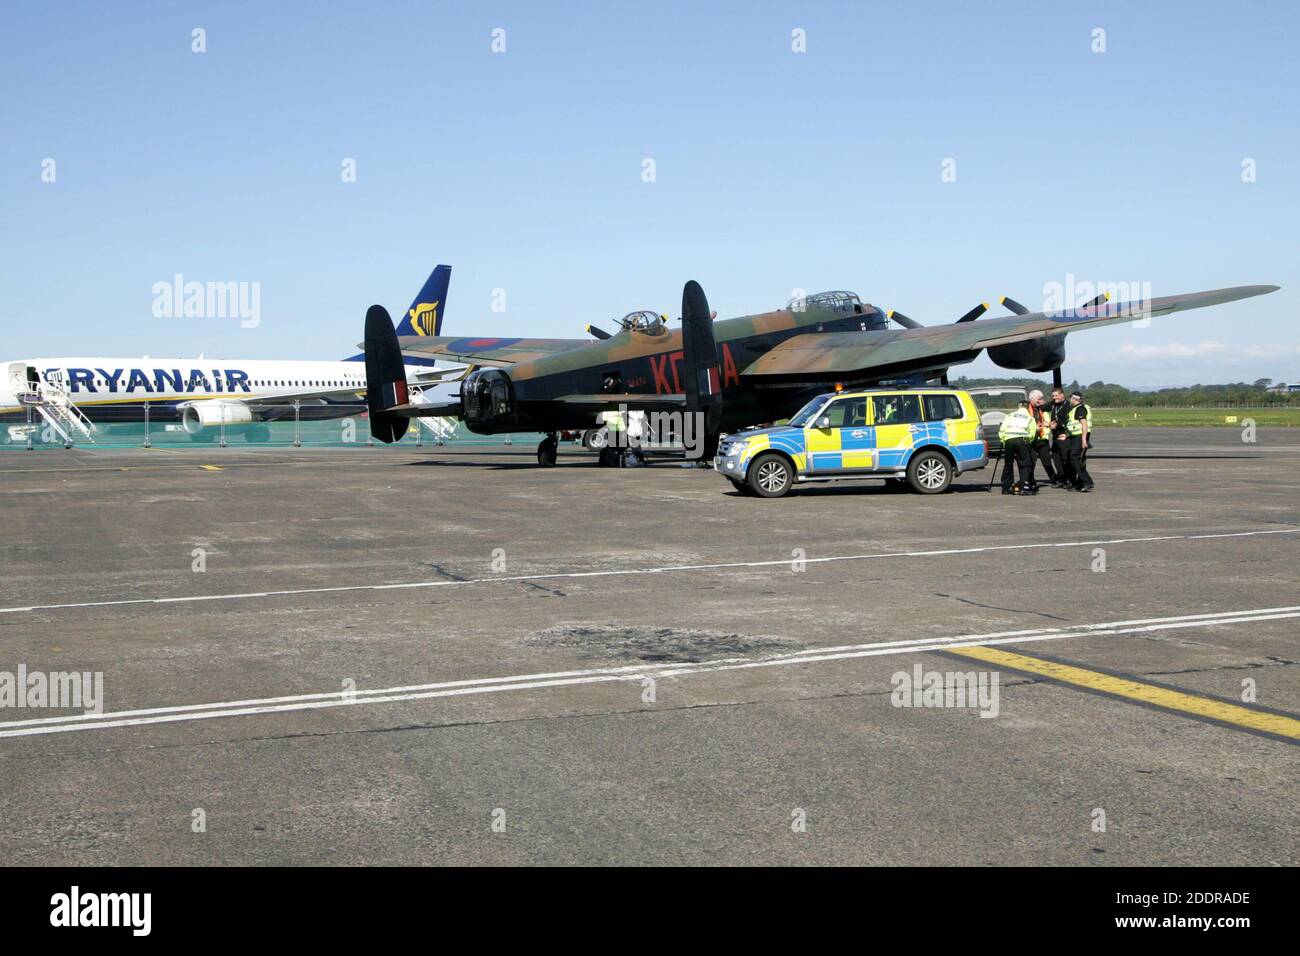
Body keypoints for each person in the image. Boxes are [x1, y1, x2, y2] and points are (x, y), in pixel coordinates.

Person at [997, 399, 1036, 495]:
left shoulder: (1010, 415)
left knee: (1008, 464)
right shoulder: (1030, 417)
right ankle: (1024, 487)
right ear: (1027, 407)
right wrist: (1028, 442)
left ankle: (1006, 487)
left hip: (1008, 440)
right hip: (1021, 440)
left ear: (1019, 406)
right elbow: (1032, 434)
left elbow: (1002, 429)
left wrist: (1003, 440)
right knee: (1025, 464)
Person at [1026, 389, 1061, 487]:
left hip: (1042, 439)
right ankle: (1030, 480)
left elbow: (1050, 406)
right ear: (1032, 399)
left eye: (1041, 399)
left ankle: (1054, 479)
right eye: (1039, 399)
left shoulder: (1041, 408)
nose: (1041, 401)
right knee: (1031, 461)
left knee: (1047, 461)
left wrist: (1049, 425)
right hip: (1032, 439)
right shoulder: (1027, 409)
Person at [1064, 390, 1095, 491]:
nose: (1070, 400)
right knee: (1074, 459)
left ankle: (1087, 481)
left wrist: (1083, 439)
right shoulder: (1076, 409)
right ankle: (1078, 483)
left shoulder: (1080, 409)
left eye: (1071, 398)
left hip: (1079, 436)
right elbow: (1073, 425)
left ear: (1074, 399)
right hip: (1075, 436)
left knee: (1074, 458)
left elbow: (1084, 424)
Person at [1048, 386, 1071, 486]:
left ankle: (1069, 479)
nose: (1054, 398)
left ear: (1062, 395)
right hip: (1055, 436)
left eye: (1056, 396)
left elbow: (1069, 421)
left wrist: (1059, 424)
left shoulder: (1068, 406)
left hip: (1064, 436)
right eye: (1053, 396)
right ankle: (1061, 479)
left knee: (1065, 459)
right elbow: (1042, 407)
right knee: (1056, 458)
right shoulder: (1054, 405)